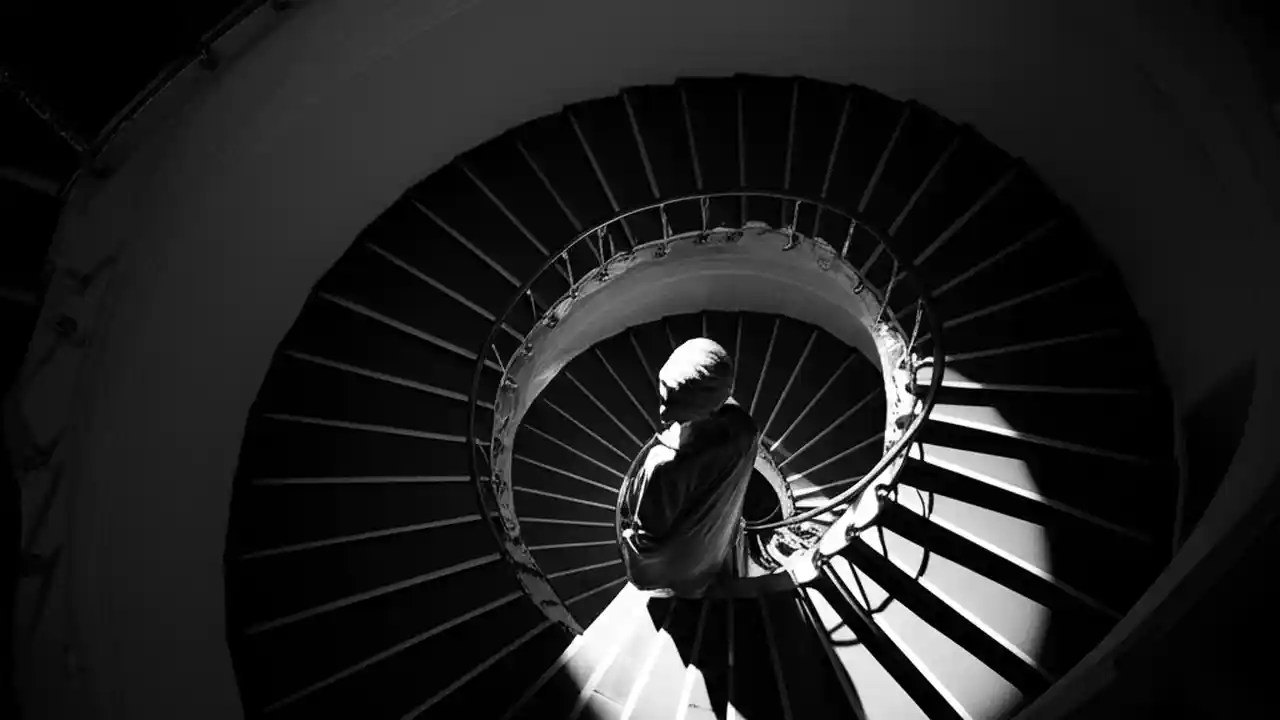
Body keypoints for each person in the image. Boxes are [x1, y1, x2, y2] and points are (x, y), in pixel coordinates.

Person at [615, 337, 760, 597]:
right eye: (664, 397)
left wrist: (629, 539)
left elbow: (648, 538)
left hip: (681, 561)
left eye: (676, 404)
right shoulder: (744, 430)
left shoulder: (664, 465)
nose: (662, 412)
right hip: (715, 545)